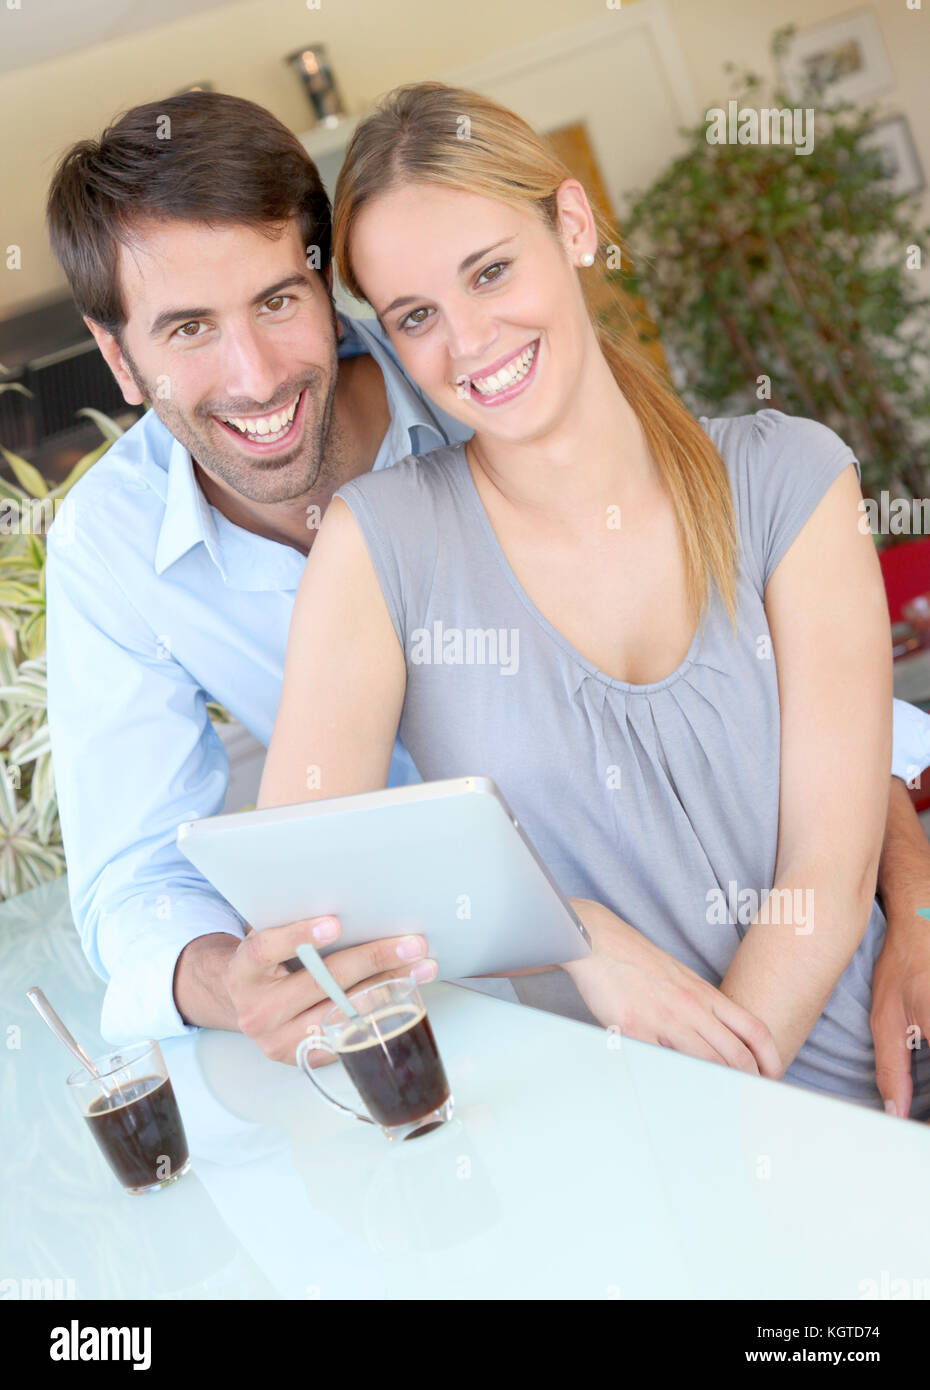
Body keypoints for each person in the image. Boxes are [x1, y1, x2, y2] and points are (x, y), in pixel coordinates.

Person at [41, 90, 929, 1118]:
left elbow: (797, 746)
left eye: (278, 301)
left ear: (330, 297)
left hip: (790, 1043)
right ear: (120, 357)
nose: (255, 374)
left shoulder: (638, 432)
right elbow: (203, 889)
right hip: (534, 1058)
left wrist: (910, 899)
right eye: (189, 327)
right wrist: (561, 930)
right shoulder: (198, 543)